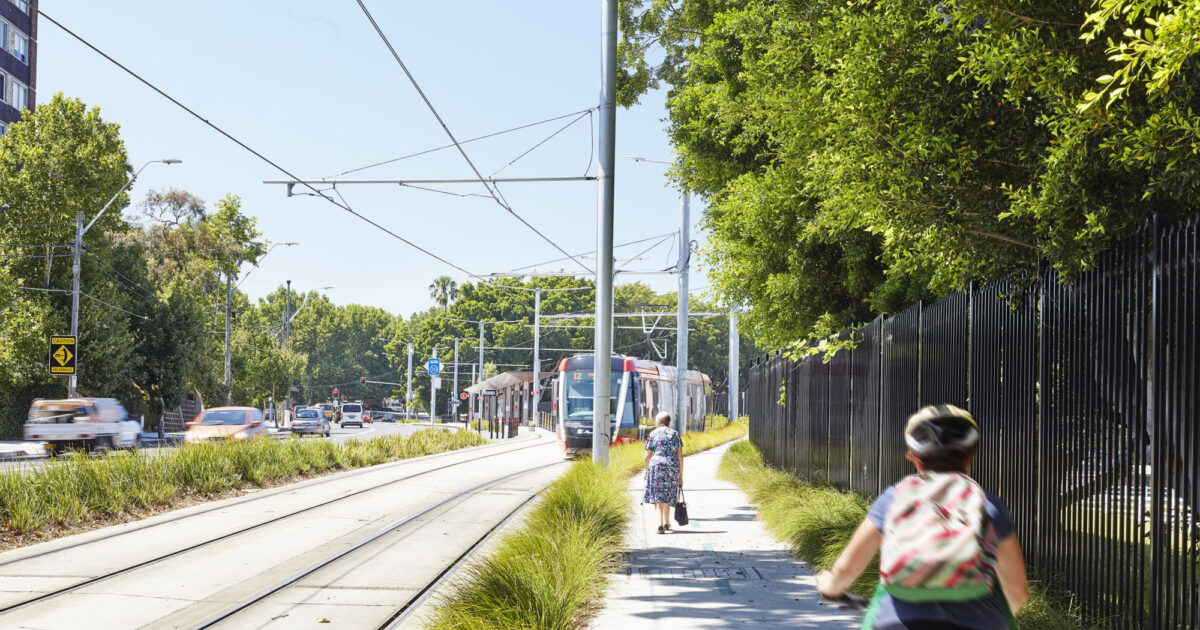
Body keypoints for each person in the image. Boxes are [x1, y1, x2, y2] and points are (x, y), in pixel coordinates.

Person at [816, 404, 1029, 630]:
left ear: (915, 459)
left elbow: (846, 569)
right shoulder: (988, 505)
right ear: (970, 458)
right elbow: (1017, 592)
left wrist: (831, 586)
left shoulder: (894, 499)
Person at [643, 412, 684, 534]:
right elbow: (680, 456)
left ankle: (659, 524)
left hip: (656, 466)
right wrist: (681, 476)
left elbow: (647, 456)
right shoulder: (675, 434)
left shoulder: (653, 434)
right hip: (672, 466)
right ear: (669, 422)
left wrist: (646, 470)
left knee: (657, 496)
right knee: (667, 494)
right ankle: (667, 522)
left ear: (657, 422)